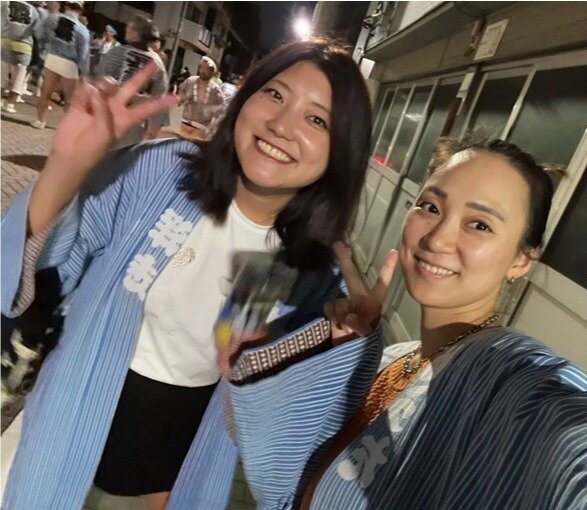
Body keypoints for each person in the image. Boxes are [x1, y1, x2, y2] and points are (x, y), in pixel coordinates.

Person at [1, 38, 372, 510]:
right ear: (245, 99)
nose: (282, 125)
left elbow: (285, 425)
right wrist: (65, 169)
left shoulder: (306, 266)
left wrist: (347, 345)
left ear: (342, 151)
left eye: (317, 120)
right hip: (63, 440)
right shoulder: (161, 173)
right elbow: (45, 271)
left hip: (173, 476)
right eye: (275, 94)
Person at [222, 136, 587, 509]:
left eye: (480, 225)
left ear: (521, 260)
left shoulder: (509, 375)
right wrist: (343, 347)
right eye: (431, 207)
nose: (438, 238)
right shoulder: (397, 357)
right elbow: (283, 459)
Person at [95, 16, 168, 147]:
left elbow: (101, 78)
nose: (127, 30)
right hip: (135, 120)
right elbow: (159, 96)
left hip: (109, 114)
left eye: (130, 28)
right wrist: (153, 129)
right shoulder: (157, 62)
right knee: (124, 154)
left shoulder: (118, 52)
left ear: (137, 34)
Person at [30, 0, 89, 129]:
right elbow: (83, 54)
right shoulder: (82, 30)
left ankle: (40, 121)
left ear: (66, 5)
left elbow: (38, 33)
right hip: (69, 64)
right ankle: (68, 128)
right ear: (80, 10)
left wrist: (44, 48)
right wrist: (83, 72)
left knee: (45, 93)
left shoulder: (52, 19)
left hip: (52, 58)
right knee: (69, 100)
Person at [1, 0, 40, 113]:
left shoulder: (4, 3)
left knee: (2, 77)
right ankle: (10, 105)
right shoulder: (34, 11)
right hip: (24, 47)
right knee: (18, 79)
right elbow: (37, 31)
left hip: (4, 42)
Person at [177, 56, 224, 136]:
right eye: (202, 67)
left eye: (206, 69)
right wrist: (182, 99)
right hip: (186, 121)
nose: (203, 71)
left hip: (201, 126)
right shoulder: (190, 81)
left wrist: (210, 111)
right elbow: (181, 90)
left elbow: (221, 108)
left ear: (212, 72)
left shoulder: (215, 89)